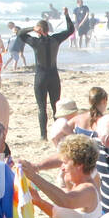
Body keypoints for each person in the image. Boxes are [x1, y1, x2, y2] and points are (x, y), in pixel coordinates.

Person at [18, 135, 102, 218]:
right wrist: (39, 202)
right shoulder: (76, 186)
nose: (62, 168)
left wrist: (34, 176)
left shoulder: (89, 190)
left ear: (79, 165)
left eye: (65, 163)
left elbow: (66, 201)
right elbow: (63, 215)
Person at [17, 9, 75, 140]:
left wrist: (32, 28)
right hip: (54, 76)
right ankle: (57, 132)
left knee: (41, 107)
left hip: (41, 77)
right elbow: (71, 30)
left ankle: (43, 136)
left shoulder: (35, 42)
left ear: (39, 30)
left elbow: (20, 34)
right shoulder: (56, 39)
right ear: (48, 29)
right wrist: (66, 15)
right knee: (56, 107)